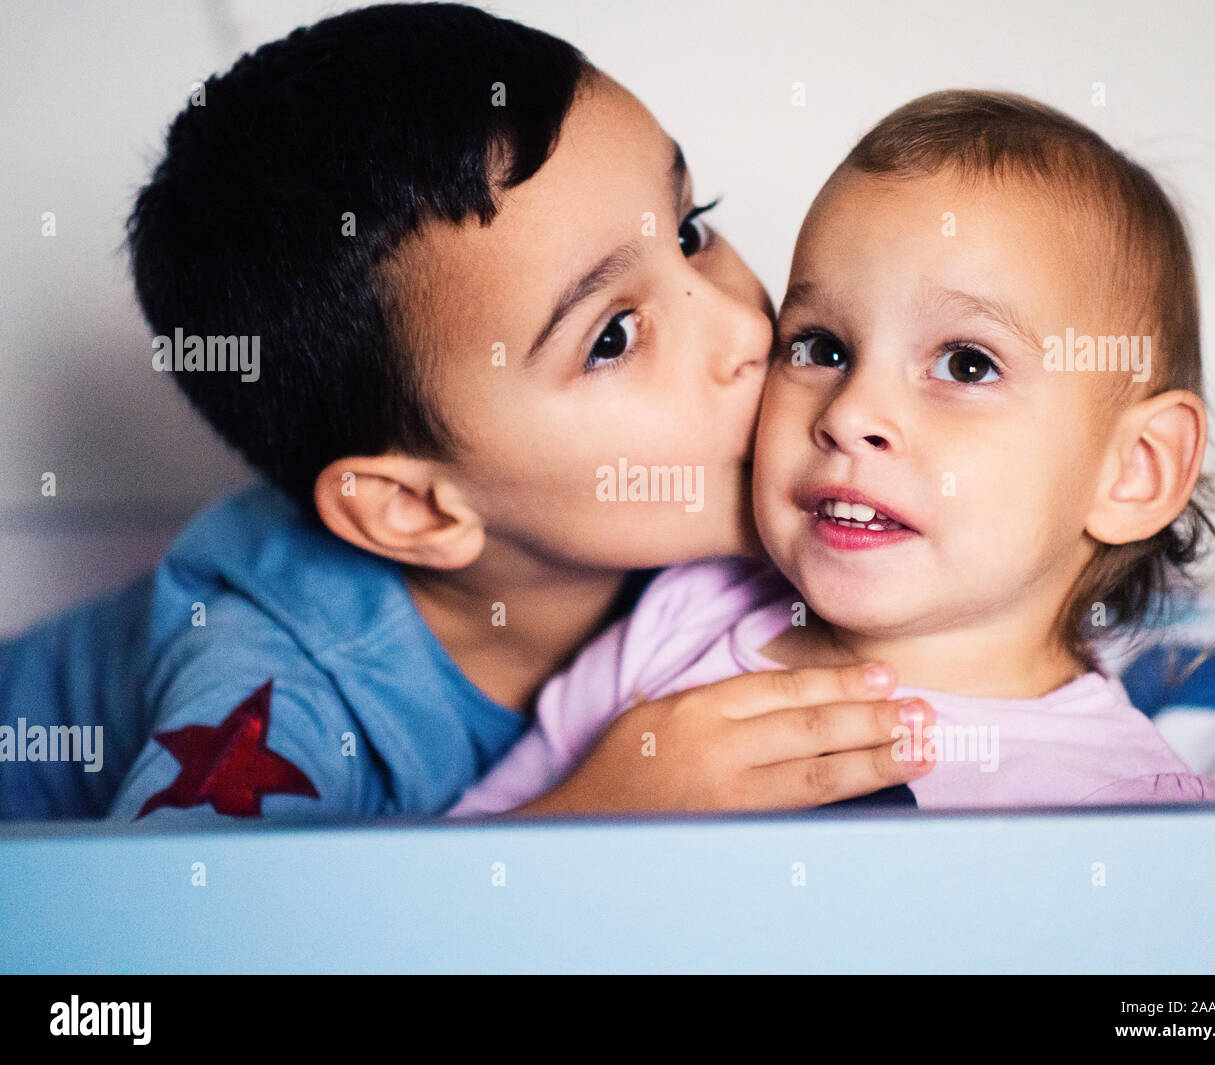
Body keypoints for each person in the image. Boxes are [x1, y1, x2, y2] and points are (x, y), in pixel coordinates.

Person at [0, 3, 922, 823]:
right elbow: (135, 969)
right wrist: (583, 829)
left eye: (688, 230)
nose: (740, 327)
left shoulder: (675, 525)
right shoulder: (285, 697)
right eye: (610, 338)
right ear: (418, 508)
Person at [450, 90, 1215, 816]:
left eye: (967, 364)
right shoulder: (681, 617)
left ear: (1134, 471)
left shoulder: (1145, 815)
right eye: (823, 347)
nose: (851, 411)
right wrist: (590, 818)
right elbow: (434, 892)